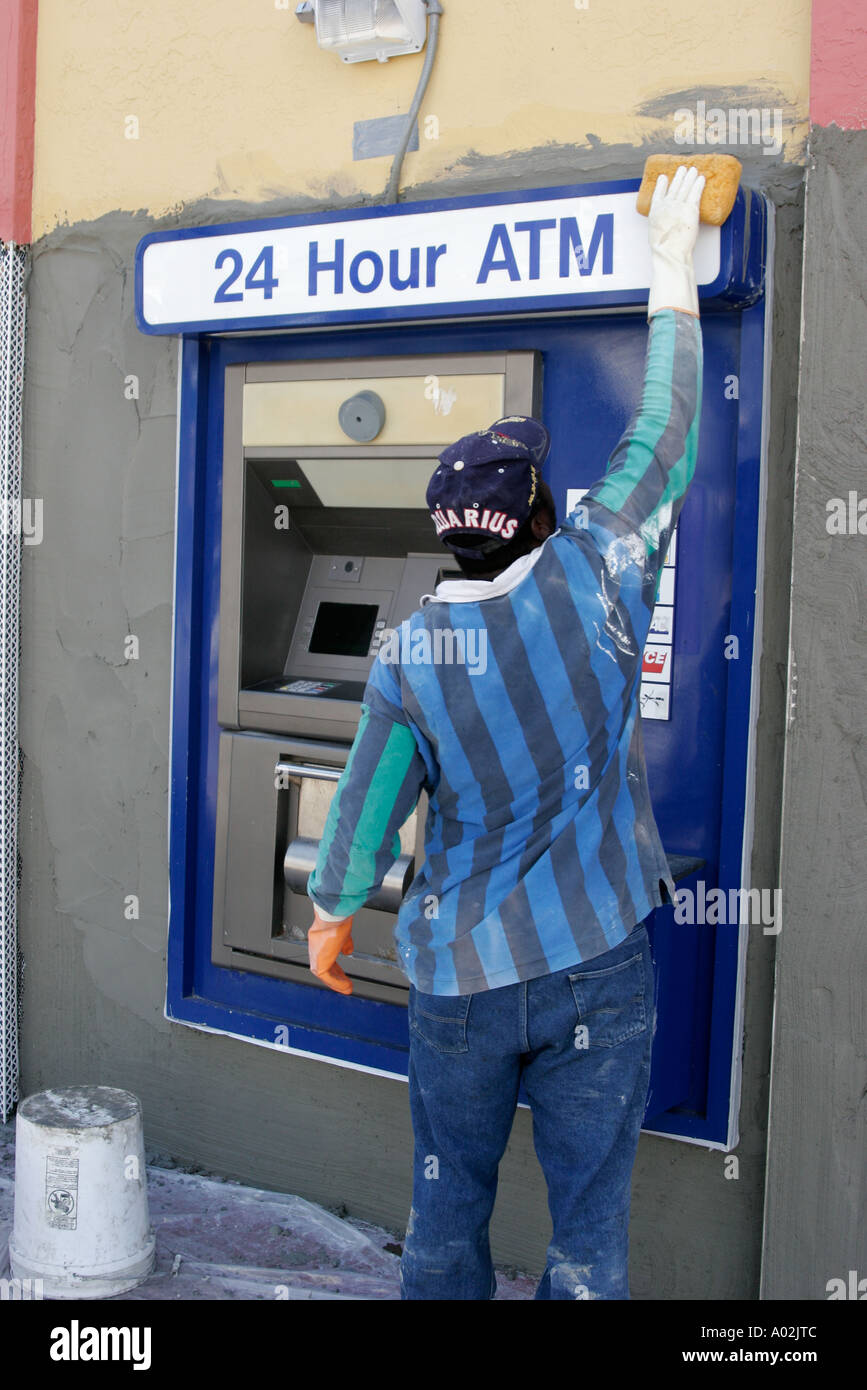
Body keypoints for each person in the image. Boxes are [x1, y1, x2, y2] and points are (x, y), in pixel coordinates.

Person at [306, 164, 706, 1300]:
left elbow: (363, 816)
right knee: (589, 1234)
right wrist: (667, 261)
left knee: (445, 1217)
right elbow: (668, 427)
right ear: (542, 512)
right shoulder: (601, 569)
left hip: (460, 983)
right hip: (598, 964)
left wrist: (331, 923)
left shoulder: (409, 653)